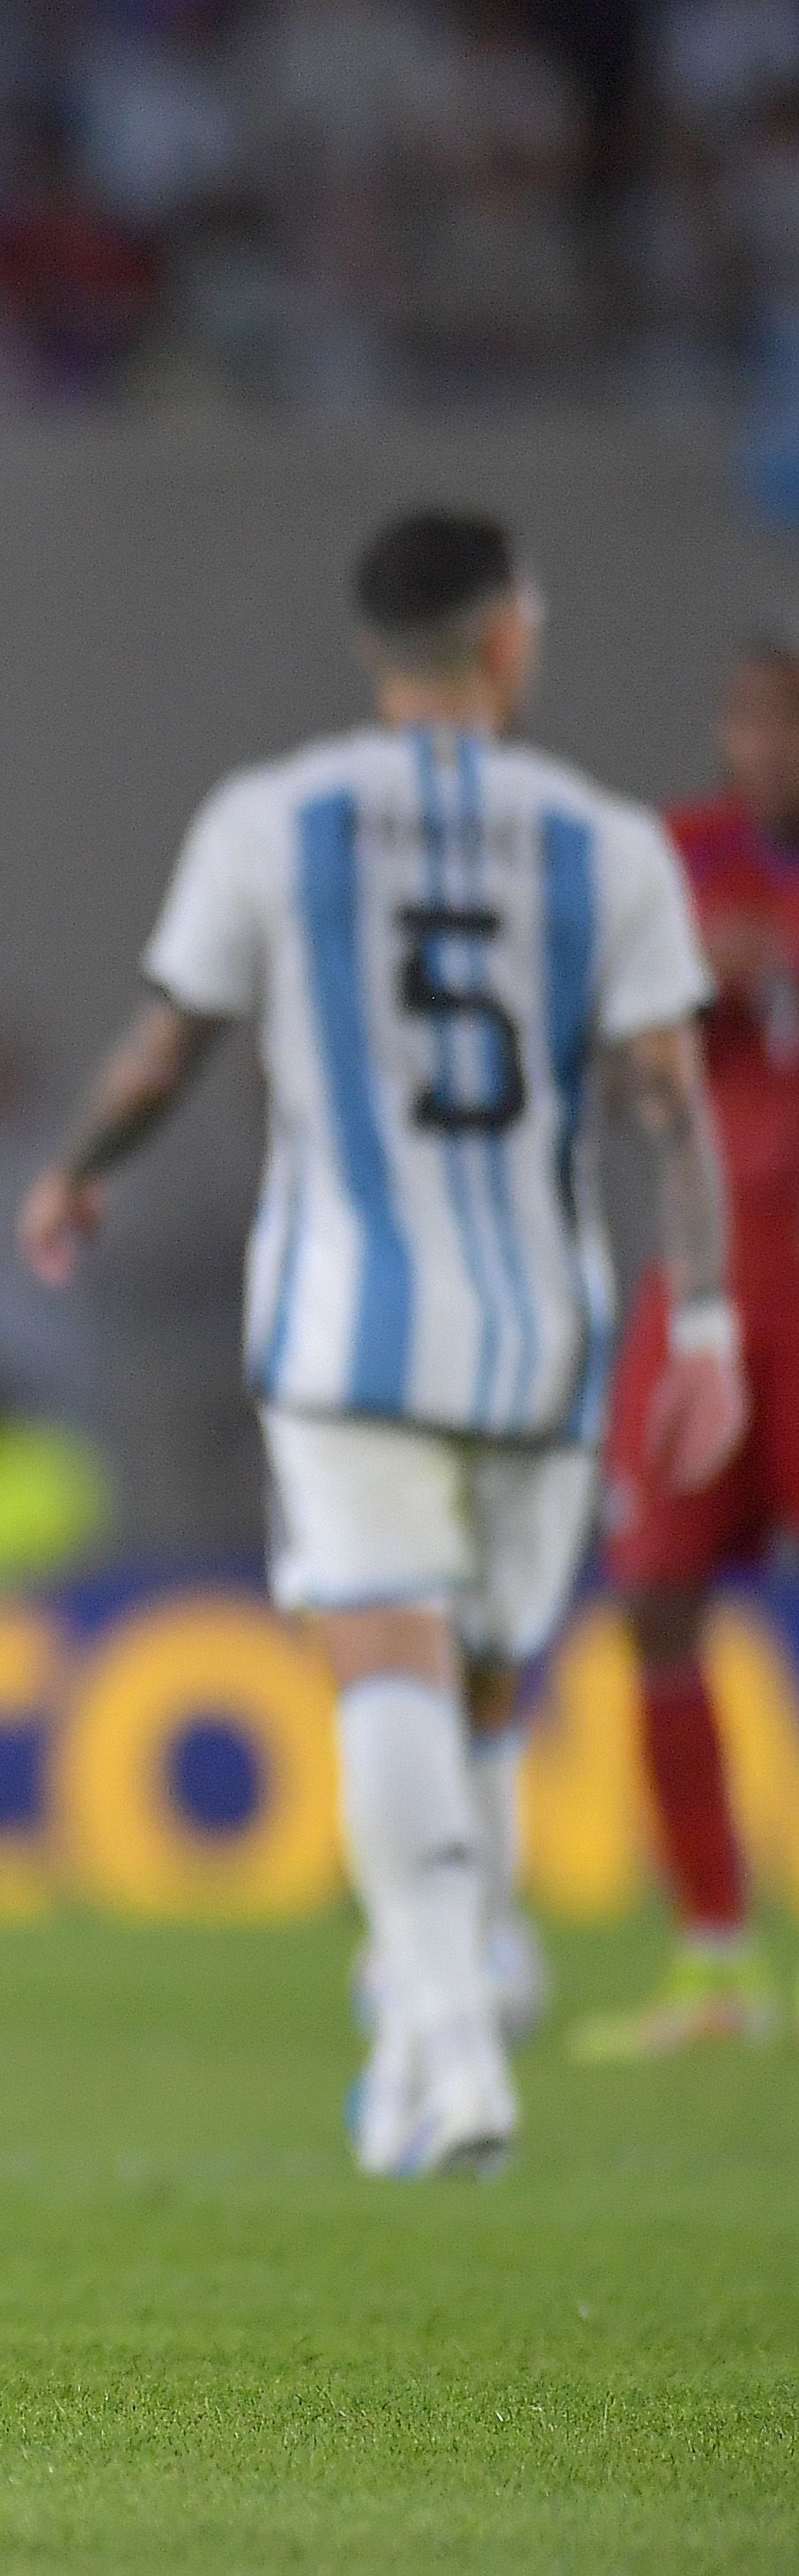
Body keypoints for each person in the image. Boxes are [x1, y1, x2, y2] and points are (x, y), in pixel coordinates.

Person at [21, 508, 744, 2179]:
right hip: (539, 1332)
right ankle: (454, 1995)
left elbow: (159, 1055)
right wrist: (699, 1318)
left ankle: (440, 2032)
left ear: (377, 650)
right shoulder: (608, 844)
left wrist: (71, 1174)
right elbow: (666, 1106)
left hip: (349, 1320)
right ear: (506, 643)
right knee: (480, 1689)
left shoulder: (275, 823)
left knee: (388, 1675)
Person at [580, 633, 799, 2056]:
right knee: (652, 1593)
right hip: (712, 1281)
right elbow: (607, 1061)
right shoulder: (676, 857)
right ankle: (714, 1960)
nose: (762, 747)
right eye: (746, 721)